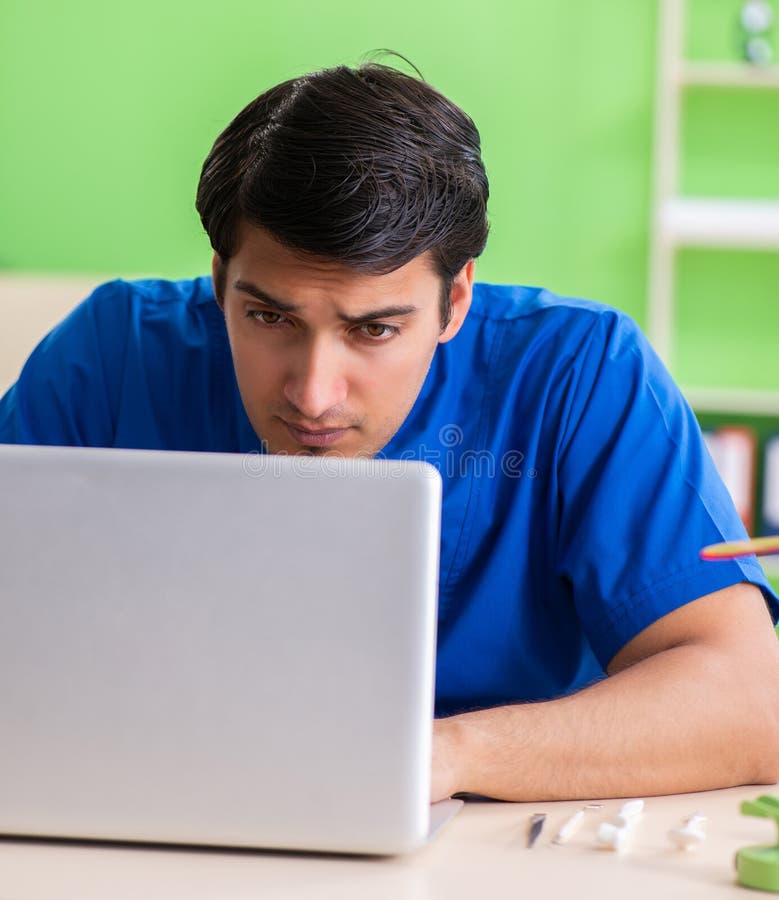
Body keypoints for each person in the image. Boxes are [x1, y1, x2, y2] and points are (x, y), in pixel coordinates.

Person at [1, 62, 778, 803]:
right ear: (218, 280)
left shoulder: (580, 373)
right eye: (268, 317)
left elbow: (748, 700)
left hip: (495, 842)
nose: (312, 394)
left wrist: (439, 757)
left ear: (454, 300)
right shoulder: (112, 355)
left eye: (373, 329)